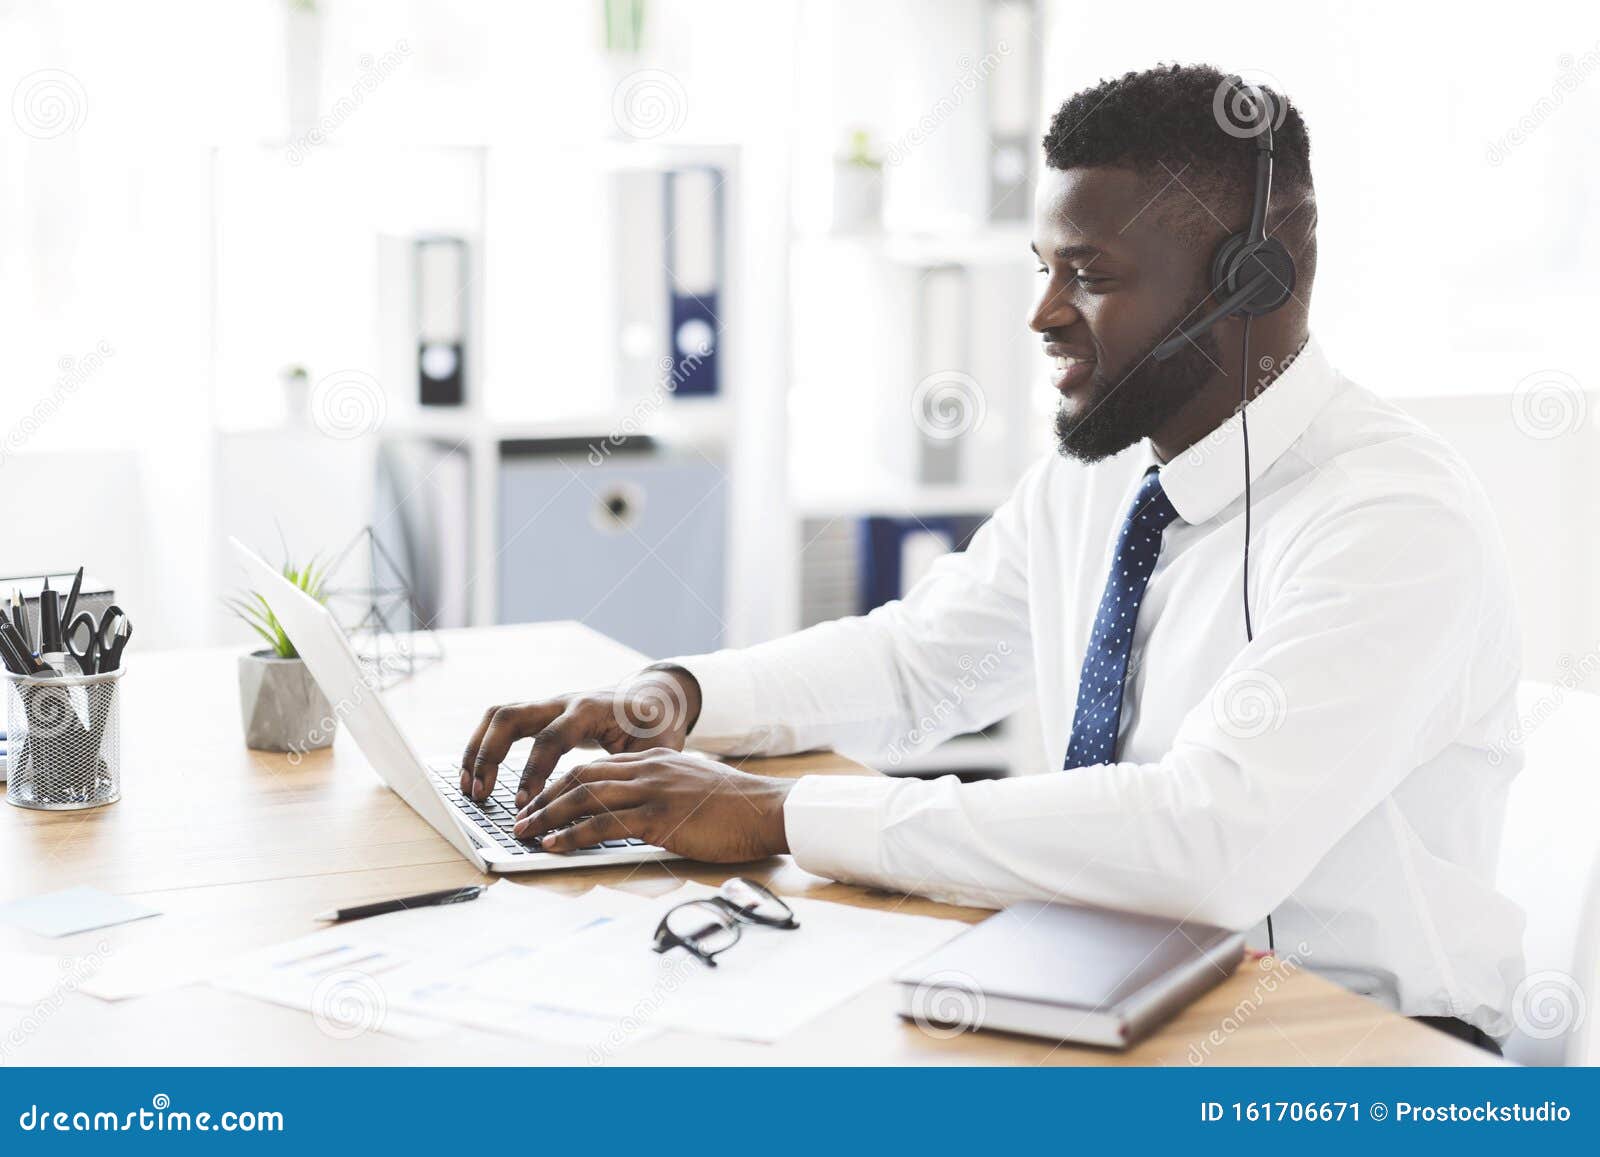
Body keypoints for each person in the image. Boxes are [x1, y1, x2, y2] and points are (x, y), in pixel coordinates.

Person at [459, 64, 1523, 1046]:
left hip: (1361, 1047)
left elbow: (1209, 839)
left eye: (1087, 275)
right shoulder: (1105, 466)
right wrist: (679, 697)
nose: (1043, 314)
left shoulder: (1389, 519)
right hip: (1122, 988)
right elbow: (920, 663)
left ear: (1248, 283)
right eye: (1043, 268)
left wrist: (781, 813)